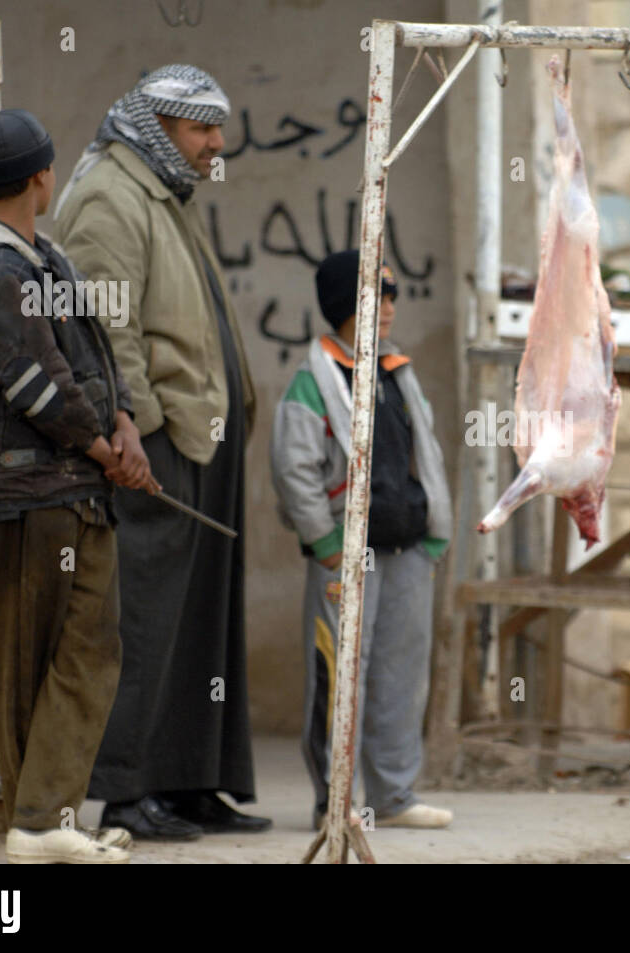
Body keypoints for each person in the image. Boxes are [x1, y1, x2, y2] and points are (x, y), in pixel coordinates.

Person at [55, 65, 266, 840]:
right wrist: (131, 427)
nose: (217, 143)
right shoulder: (112, 196)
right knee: (141, 618)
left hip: (196, 435)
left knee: (200, 620)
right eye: (200, 128)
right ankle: (126, 790)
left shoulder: (163, 191)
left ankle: (188, 779)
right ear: (159, 126)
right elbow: (107, 332)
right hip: (156, 442)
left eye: (215, 128)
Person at [0, 108, 147, 863]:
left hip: (72, 488)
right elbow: (35, 382)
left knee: (79, 648)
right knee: (49, 658)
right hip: (32, 495)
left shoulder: (44, 258)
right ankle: (40, 819)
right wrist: (103, 445)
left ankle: (41, 819)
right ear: (40, 176)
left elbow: (94, 354)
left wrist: (122, 422)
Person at [271, 250, 453, 830]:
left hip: (407, 551)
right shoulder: (313, 379)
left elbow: (426, 452)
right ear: (348, 304)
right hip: (347, 557)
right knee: (339, 672)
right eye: (382, 294)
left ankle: (394, 797)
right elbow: (293, 469)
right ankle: (335, 802)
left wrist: (433, 539)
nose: (393, 306)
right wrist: (325, 544)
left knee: (401, 674)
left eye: (395, 294)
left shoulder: (397, 369)